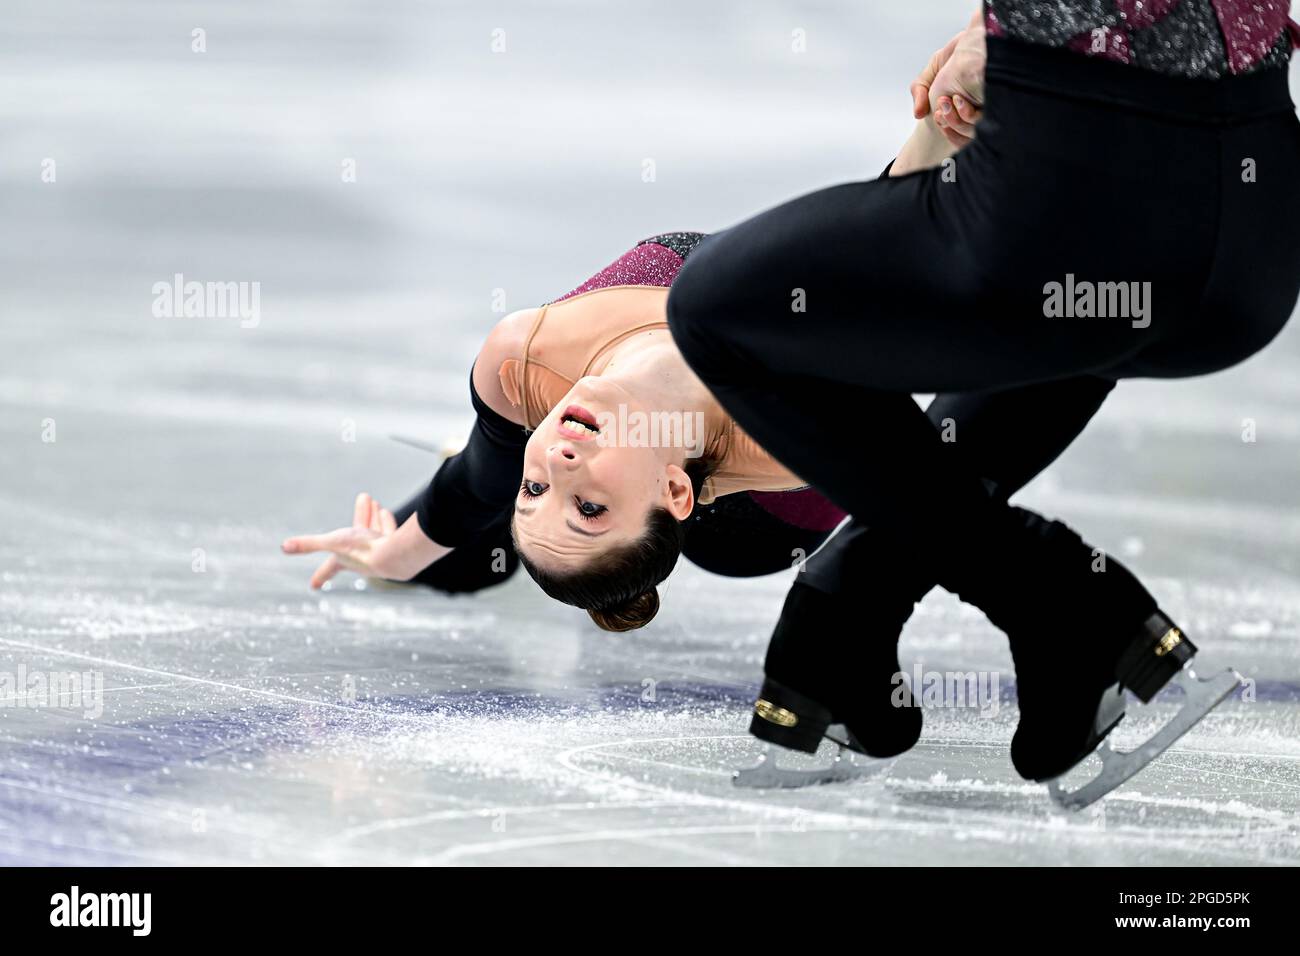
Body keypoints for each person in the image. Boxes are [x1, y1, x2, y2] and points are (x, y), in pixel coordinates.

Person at [666, 2, 1300, 800]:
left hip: (1073, 223)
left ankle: (1060, 606)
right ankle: (844, 610)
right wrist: (995, 36)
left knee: (719, 312)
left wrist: (1010, 46)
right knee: (1061, 314)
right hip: (1249, 261)